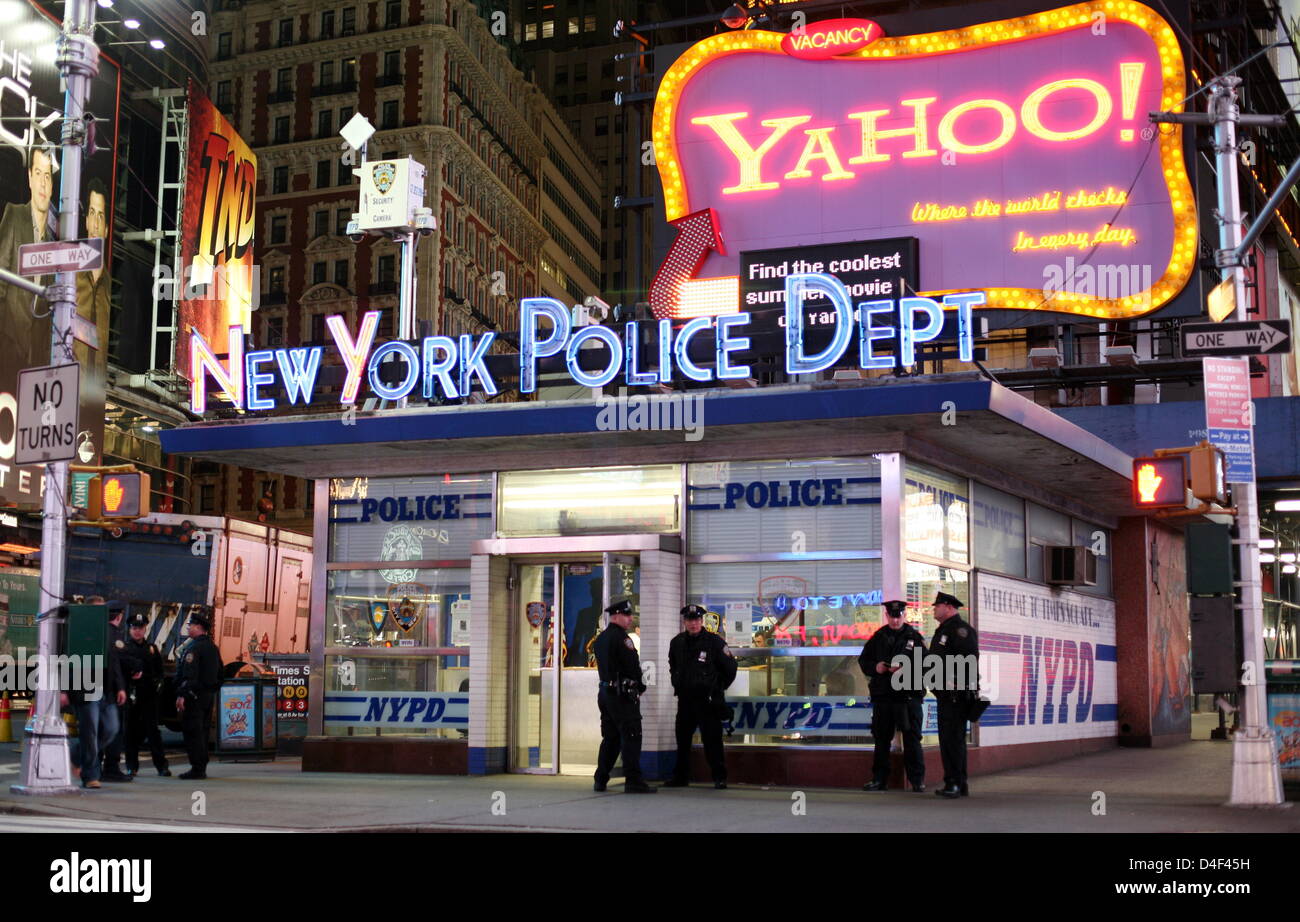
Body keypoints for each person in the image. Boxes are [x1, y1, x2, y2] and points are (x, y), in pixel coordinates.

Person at [664, 604, 736, 789]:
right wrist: (677, 682)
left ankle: (719, 777)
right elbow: (673, 666)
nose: (693, 623)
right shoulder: (677, 642)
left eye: (696, 620)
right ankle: (681, 777)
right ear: (684, 622)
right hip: (686, 700)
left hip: (708, 701)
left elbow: (730, 668)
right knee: (682, 739)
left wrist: (717, 688)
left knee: (712, 740)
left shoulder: (714, 642)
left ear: (702, 621)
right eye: (689, 620)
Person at [858, 599, 927, 793]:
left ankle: (917, 780)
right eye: (892, 617)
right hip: (884, 697)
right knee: (881, 739)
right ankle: (879, 779)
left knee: (912, 739)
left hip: (908, 697)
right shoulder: (878, 637)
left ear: (904, 616)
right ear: (887, 615)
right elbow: (864, 660)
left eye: (899, 617)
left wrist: (906, 669)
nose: (896, 620)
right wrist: (876, 667)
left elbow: (928, 664)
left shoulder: (914, 637)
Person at [0, 147, 56, 372]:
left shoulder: (55, 243)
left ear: (52, 184)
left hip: (36, 363)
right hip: (8, 348)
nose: (43, 183)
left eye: (48, 176)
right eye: (38, 174)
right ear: (29, 179)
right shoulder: (14, 215)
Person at [592, 599, 655, 794]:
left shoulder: (601, 639)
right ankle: (633, 780)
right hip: (622, 695)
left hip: (605, 693)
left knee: (610, 738)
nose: (630, 619)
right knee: (631, 736)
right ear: (616, 616)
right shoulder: (623, 639)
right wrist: (641, 685)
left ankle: (601, 779)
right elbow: (631, 667)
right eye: (627, 616)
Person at [68, 599, 126, 789]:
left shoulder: (106, 632)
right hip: (85, 689)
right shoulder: (77, 630)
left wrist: (120, 687)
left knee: (111, 728)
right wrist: (64, 690)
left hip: (106, 690)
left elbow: (114, 661)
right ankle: (90, 775)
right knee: (90, 732)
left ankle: (75, 754)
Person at [929, 591, 978, 799]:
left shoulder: (960, 631)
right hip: (945, 694)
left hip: (955, 694)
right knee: (949, 740)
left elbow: (969, 659)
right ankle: (956, 781)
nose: (934, 609)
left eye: (937, 605)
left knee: (953, 740)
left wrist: (955, 679)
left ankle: (955, 783)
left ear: (948, 607)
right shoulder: (944, 630)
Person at [174, 608, 223, 780]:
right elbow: (221, 672)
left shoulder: (194, 648)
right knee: (202, 730)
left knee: (192, 731)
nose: (188, 628)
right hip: (208, 696)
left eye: (191, 625)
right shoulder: (213, 648)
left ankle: (197, 767)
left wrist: (182, 695)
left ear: (199, 627)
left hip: (194, 696)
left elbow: (189, 674)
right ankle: (201, 765)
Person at [121, 611, 171, 777]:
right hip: (131, 696)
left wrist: (158, 687)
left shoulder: (152, 649)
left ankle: (161, 766)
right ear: (129, 629)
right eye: (134, 628)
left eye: (141, 628)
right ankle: (131, 766)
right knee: (130, 733)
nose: (137, 631)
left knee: (153, 732)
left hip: (148, 696)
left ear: (145, 629)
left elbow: (159, 673)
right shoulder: (124, 648)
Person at [99, 601, 134, 782]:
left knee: (97, 729)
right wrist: (121, 687)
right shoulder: (115, 636)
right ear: (119, 617)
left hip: (94, 689)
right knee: (114, 730)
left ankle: (93, 768)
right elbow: (119, 664)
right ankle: (111, 768)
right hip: (110, 692)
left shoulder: (96, 632)